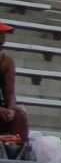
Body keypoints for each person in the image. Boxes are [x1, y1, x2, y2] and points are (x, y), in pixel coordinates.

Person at [0, 22, 28, 153]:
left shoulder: (6, 61)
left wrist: (11, 109)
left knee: (19, 115)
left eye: (3, 36)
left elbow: (10, 92)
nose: (2, 39)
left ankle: (18, 154)